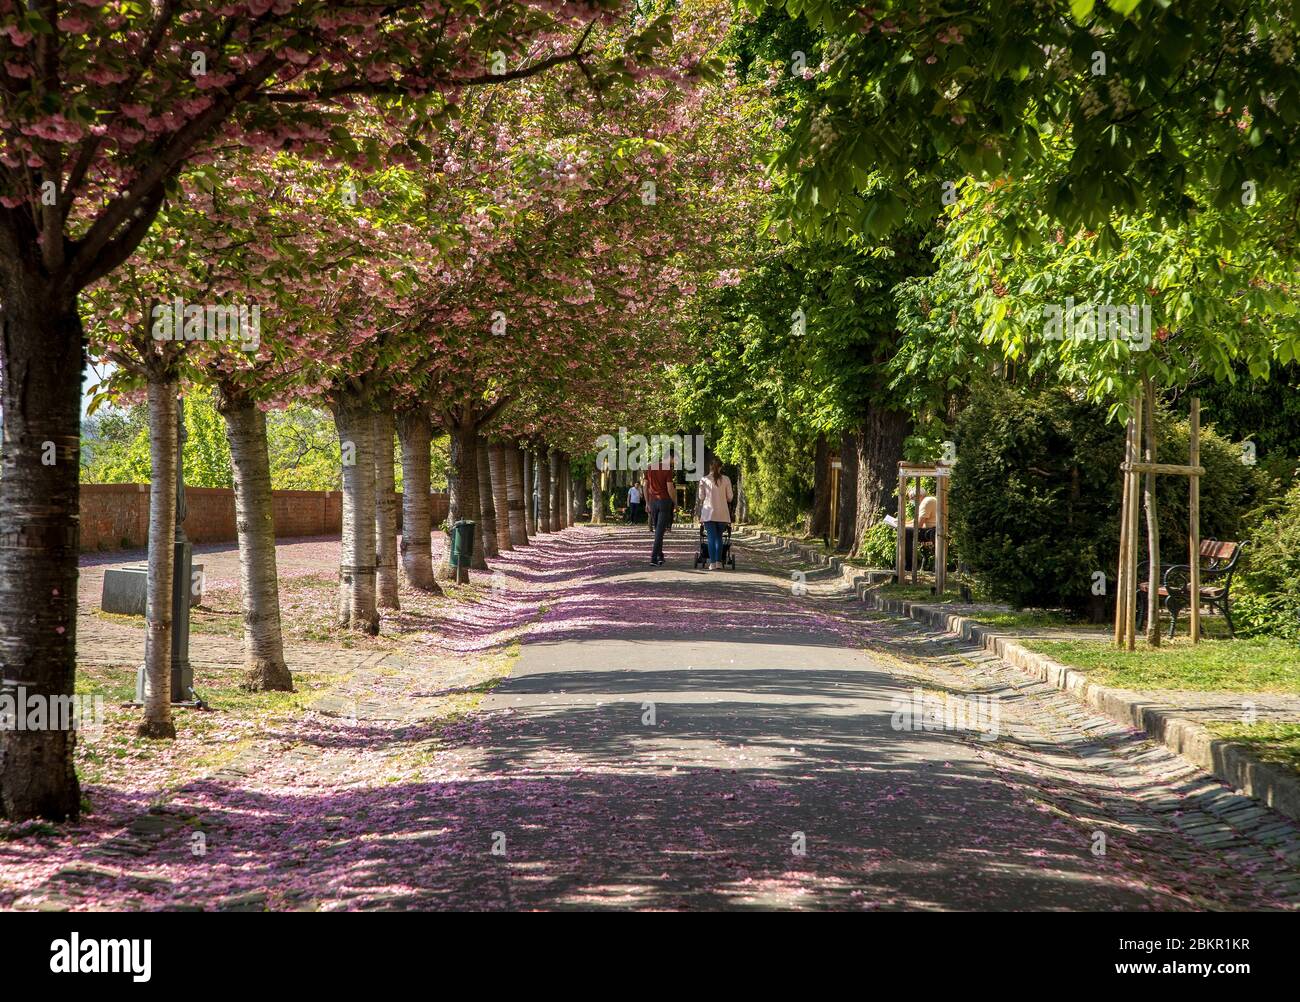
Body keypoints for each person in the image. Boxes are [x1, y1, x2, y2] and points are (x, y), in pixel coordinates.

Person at [695, 457, 734, 570]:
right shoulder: (726, 479)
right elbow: (730, 498)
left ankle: (712, 563)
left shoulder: (704, 480)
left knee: (711, 538)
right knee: (719, 538)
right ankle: (719, 562)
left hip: (709, 513)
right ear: (720, 467)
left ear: (710, 467)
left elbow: (701, 497)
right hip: (722, 513)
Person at [644, 453, 676, 565]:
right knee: (659, 531)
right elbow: (670, 487)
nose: (675, 462)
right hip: (664, 501)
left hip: (653, 502)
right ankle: (653, 557)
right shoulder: (667, 469)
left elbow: (645, 485)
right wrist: (674, 501)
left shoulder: (650, 468)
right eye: (674, 459)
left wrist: (647, 502)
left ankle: (660, 555)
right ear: (670, 458)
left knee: (659, 530)